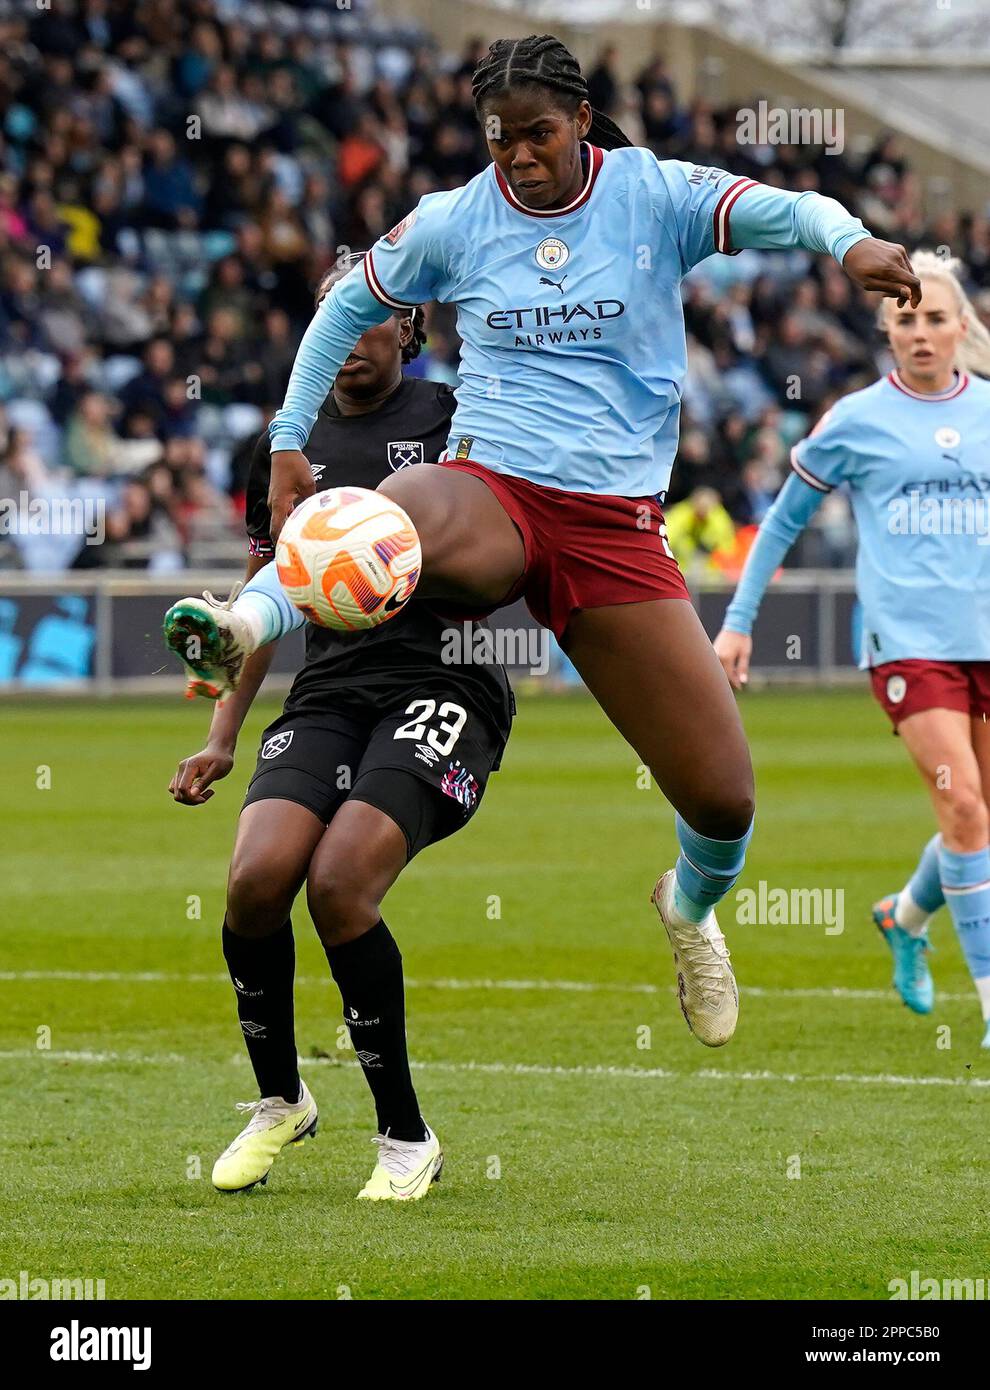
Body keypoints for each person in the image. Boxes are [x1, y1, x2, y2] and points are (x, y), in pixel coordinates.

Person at [166, 34, 919, 1051]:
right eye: (498, 138)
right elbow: (347, 303)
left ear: (578, 120)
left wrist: (854, 243)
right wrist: (290, 441)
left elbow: (784, 208)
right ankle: (236, 619)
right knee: (403, 502)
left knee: (723, 795)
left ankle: (690, 907)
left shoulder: (655, 195)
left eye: (537, 135)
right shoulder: (455, 219)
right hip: (496, 490)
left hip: (614, 525)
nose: (517, 157)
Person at [167, 257, 513, 1198]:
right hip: (331, 689)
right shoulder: (284, 449)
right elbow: (262, 598)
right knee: (254, 879)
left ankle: (405, 1136)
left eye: (371, 318)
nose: (352, 335)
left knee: (341, 882)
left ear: (407, 329)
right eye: (334, 317)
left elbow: (510, 553)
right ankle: (281, 1102)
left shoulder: (453, 423)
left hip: (449, 680)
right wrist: (222, 734)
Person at [713, 251, 990, 1042]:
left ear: (962, 324)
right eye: (906, 319)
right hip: (906, 644)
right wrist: (739, 621)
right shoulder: (857, 419)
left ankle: (902, 918)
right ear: (886, 330)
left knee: (977, 823)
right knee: (963, 805)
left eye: (936, 317)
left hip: (985, 640)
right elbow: (783, 523)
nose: (923, 332)